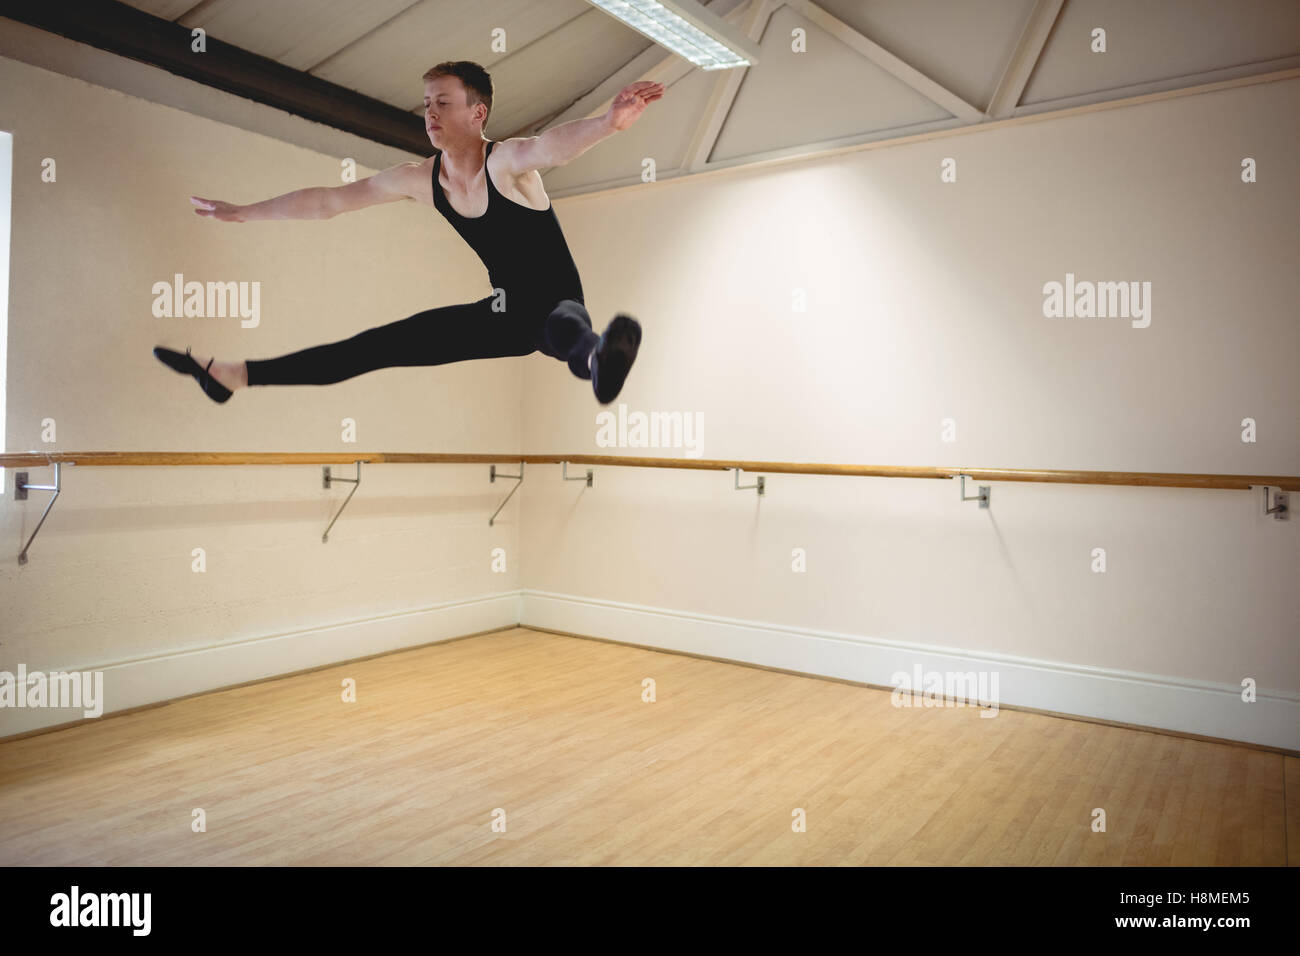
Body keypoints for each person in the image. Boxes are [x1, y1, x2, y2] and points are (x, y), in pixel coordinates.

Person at [155, 61, 661, 405]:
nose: (430, 114)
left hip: (556, 306)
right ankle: (234, 375)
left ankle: (596, 357)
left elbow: (552, 146)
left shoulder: (506, 162)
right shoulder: (420, 180)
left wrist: (609, 124)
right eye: (426, 104)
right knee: (374, 347)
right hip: (501, 315)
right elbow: (330, 201)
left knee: (563, 324)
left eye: (443, 103)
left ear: (477, 112)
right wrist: (244, 213)